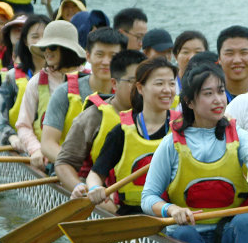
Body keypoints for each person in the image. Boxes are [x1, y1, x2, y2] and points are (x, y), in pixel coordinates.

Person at [141, 62, 248, 243]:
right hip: (187, 234)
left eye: (220, 91)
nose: (218, 99)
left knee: (246, 220)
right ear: (189, 102)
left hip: (228, 232)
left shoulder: (239, 137)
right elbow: (148, 198)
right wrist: (172, 210)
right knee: (183, 232)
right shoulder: (170, 144)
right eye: (208, 93)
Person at [86, 58, 179, 214]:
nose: (167, 90)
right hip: (131, 214)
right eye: (159, 83)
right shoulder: (121, 132)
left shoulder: (184, 129)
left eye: (171, 83)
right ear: (140, 88)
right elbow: (95, 174)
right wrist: (95, 188)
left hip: (175, 214)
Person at [56, 50, 146, 196]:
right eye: (132, 82)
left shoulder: (160, 116)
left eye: (144, 82)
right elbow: (64, 163)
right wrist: (80, 187)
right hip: (102, 195)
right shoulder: (92, 117)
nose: (140, 88)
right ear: (114, 83)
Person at [40, 27, 128, 163]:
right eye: (100, 54)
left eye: (113, 56)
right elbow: (48, 144)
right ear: (88, 56)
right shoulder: (64, 92)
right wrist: (73, 170)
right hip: (70, 171)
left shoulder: (129, 95)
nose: (106, 62)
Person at [15, 20, 86, 167]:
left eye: (52, 47)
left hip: (84, 161)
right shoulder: (35, 82)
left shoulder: (88, 79)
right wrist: (36, 150)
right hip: (48, 161)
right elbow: (23, 126)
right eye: (45, 47)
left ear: (68, 50)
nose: (47, 51)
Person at [0, 14, 49, 150]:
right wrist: (12, 137)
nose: (41, 41)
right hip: (22, 146)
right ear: (25, 41)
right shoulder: (11, 78)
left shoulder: (63, 76)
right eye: (35, 37)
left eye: (45, 36)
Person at [216, 25, 248, 101]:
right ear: (219, 58)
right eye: (229, 53)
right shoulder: (207, 97)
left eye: (244, 53)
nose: (237, 60)